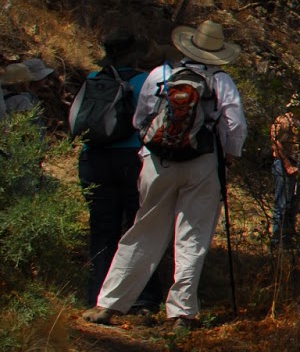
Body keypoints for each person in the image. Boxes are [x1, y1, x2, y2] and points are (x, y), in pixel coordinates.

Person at [83, 20, 248, 328]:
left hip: (157, 162)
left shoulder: (161, 74)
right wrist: (229, 156)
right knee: (192, 235)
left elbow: (141, 118)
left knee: (143, 230)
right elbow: (234, 124)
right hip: (202, 162)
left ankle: (109, 303)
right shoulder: (221, 81)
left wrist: (154, 145)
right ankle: (181, 312)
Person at [76, 32, 170, 310]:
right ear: (134, 56)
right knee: (137, 228)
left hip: (93, 158)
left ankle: (96, 294)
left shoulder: (93, 79)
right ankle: (143, 297)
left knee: (102, 229)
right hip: (131, 159)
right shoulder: (144, 81)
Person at [269, 96, 300, 250]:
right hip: (282, 164)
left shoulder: (299, 123)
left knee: (291, 204)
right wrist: (287, 165)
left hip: (296, 165)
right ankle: (276, 242)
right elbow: (276, 143)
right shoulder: (282, 121)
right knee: (281, 204)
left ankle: (288, 240)